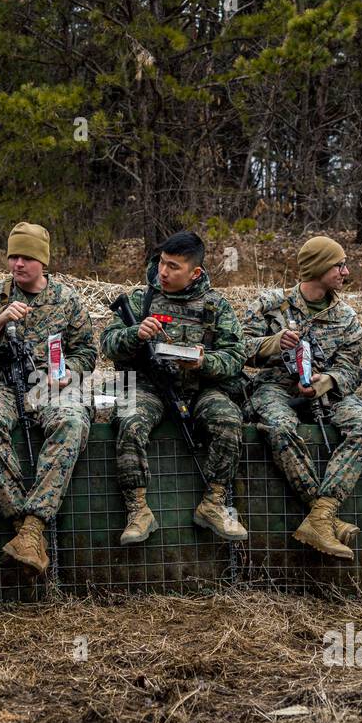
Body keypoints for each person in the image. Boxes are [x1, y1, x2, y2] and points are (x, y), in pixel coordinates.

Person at [0, 222, 96, 574]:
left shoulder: (66, 300)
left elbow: (87, 353)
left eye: (27, 257)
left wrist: (64, 375)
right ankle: (24, 527)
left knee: (72, 420)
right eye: (13, 256)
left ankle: (33, 526)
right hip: (2, 383)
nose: (18, 264)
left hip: (49, 386)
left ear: (43, 262)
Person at [100, 230, 248, 544]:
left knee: (228, 420)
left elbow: (236, 356)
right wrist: (135, 333)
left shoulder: (215, 306)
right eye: (162, 263)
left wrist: (203, 362)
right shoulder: (143, 300)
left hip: (199, 389)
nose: (163, 272)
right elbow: (108, 345)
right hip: (149, 386)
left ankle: (214, 504)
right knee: (130, 419)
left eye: (174, 267)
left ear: (195, 272)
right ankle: (138, 510)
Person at [241, 236, 362, 559]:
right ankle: (324, 518)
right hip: (275, 386)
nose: (346, 271)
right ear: (317, 269)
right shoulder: (271, 304)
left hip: (325, 392)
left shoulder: (345, 317)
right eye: (339, 265)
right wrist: (274, 343)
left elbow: (350, 368)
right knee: (279, 424)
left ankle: (322, 514)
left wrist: (327, 381)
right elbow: (238, 351)